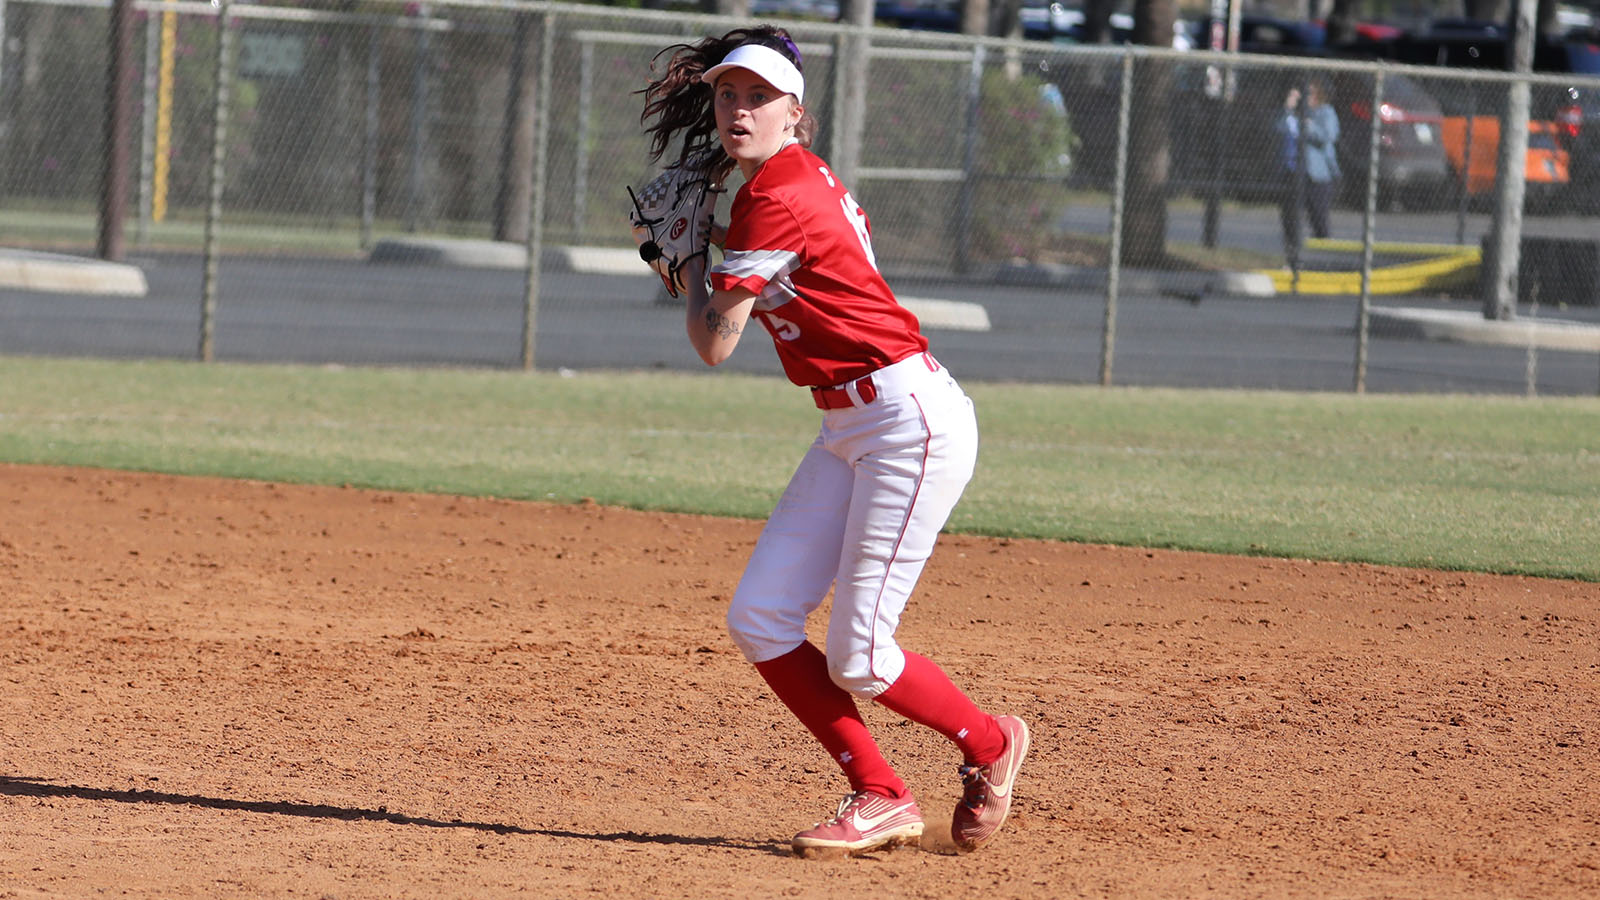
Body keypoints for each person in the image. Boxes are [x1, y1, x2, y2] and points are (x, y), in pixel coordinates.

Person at [638, 25, 1029, 857]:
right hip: (851, 422)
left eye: (759, 98)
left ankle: (992, 744)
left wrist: (688, 272)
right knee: (762, 615)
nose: (738, 110)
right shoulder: (779, 180)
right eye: (727, 95)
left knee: (859, 652)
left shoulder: (777, 194)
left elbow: (715, 345)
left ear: (795, 115)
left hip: (906, 423)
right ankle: (882, 792)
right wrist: (706, 256)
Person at [1277, 78, 1341, 267]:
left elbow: (1328, 136)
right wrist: (1288, 108)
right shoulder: (1293, 114)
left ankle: (1325, 262)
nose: (1307, 97)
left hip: (1317, 175)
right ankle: (1293, 260)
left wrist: (1308, 124)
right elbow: (1279, 129)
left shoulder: (1325, 112)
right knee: (1290, 218)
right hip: (1293, 173)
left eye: (1311, 93)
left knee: (1319, 218)